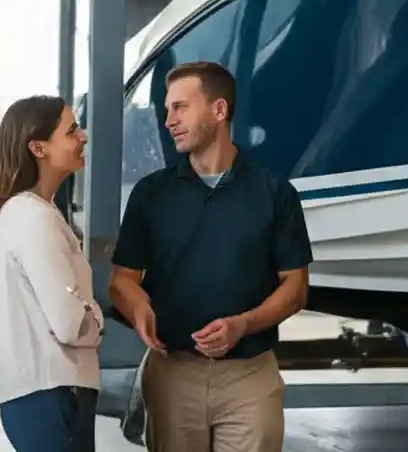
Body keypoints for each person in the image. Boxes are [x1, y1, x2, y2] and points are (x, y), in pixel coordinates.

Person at [109, 61, 313, 452]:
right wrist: (138, 309)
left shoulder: (275, 194)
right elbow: (122, 280)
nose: (169, 121)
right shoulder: (150, 195)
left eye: (181, 107)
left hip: (249, 380)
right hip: (172, 374)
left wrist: (243, 324)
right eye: (168, 109)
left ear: (219, 111)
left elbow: (296, 287)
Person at [0, 95, 103, 452]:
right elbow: (71, 324)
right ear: (38, 147)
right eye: (72, 130)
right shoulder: (34, 217)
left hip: (40, 395)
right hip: (54, 393)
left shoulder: (26, 213)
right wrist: (98, 319)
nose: (84, 137)